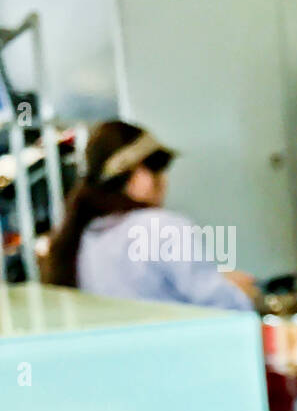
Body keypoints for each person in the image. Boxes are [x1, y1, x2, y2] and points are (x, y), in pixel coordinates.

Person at [43, 120, 256, 310]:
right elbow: (221, 304)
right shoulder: (161, 227)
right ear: (138, 174)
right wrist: (241, 291)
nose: (164, 179)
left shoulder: (85, 236)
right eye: (158, 166)